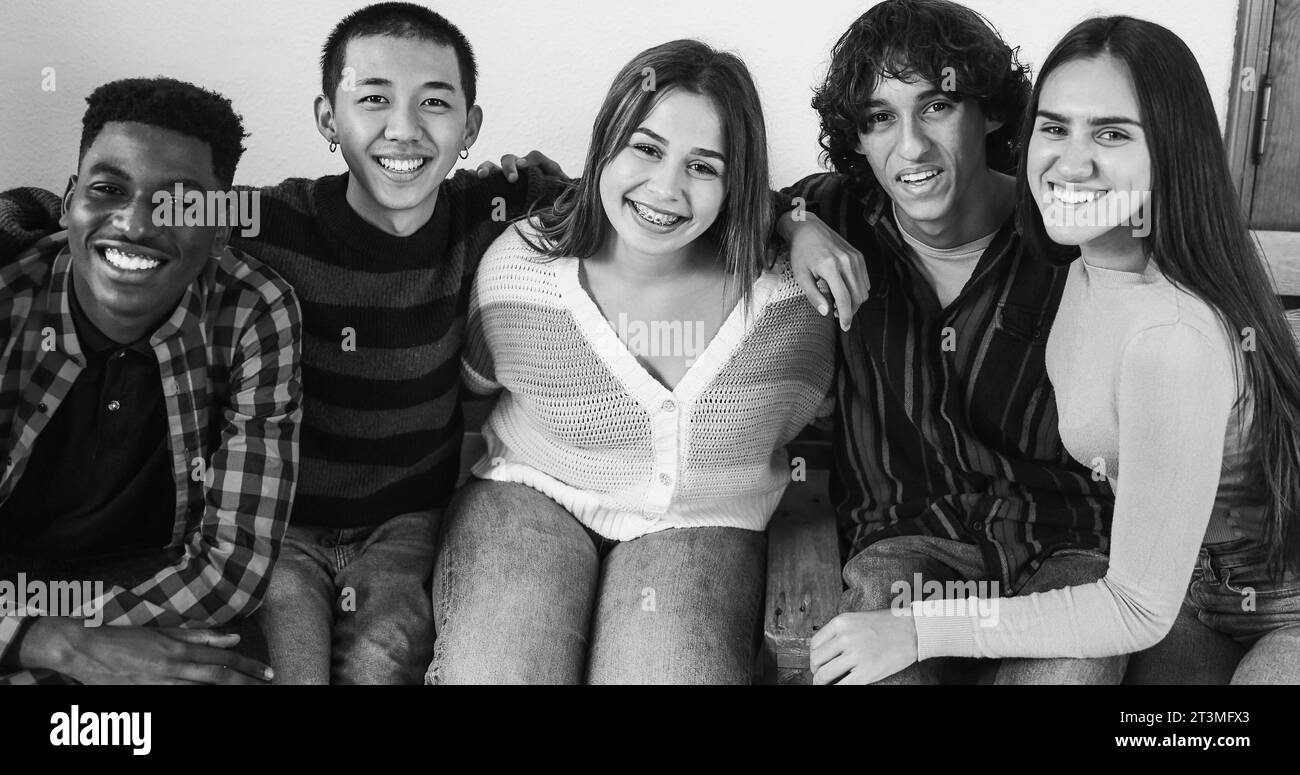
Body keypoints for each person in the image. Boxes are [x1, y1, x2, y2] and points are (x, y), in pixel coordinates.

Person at [0, 2, 568, 684]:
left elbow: (611, 199)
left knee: (383, 657)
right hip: (286, 528)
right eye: (374, 99)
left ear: (470, 126)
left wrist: (545, 175)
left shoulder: (491, 210)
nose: (404, 128)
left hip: (403, 523)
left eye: (435, 103)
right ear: (329, 120)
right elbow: (118, 212)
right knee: (287, 665)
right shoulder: (267, 221)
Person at [815, 15, 1300, 685]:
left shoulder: (1172, 335)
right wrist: (797, 224)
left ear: (1172, 148)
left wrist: (917, 628)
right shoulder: (1083, 264)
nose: (1071, 162)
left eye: (1111, 132)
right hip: (1188, 590)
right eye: (1055, 127)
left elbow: (1132, 605)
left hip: (1271, 601)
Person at [429, 39, 836, 685]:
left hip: (705, 522)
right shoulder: (521, 271)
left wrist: (799, 221)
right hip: (528, 496)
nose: (665, 188)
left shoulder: (791, 305)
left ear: (738, 182)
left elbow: (829, 423)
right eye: (645, 148)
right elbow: (465, 398)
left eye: (703, 165)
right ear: (606, 146)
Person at [779, 0, 1117, 684]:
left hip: (1064, 546)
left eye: (936, 106)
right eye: (879, 118)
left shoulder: (1069, 228)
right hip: (901, 545)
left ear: (991, 111)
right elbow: (735, 193)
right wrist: (795, 228)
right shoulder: (843, 213)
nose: (910, 147)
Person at [0, 77, 302, 685]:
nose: (135, 225)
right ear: (68, 201)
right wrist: (51, 642)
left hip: (161, 585)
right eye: (108, 189)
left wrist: (92, 640)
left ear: (220, 228)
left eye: (181, 205)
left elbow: (234, 564)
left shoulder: (255, 310)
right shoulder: (9, 295)